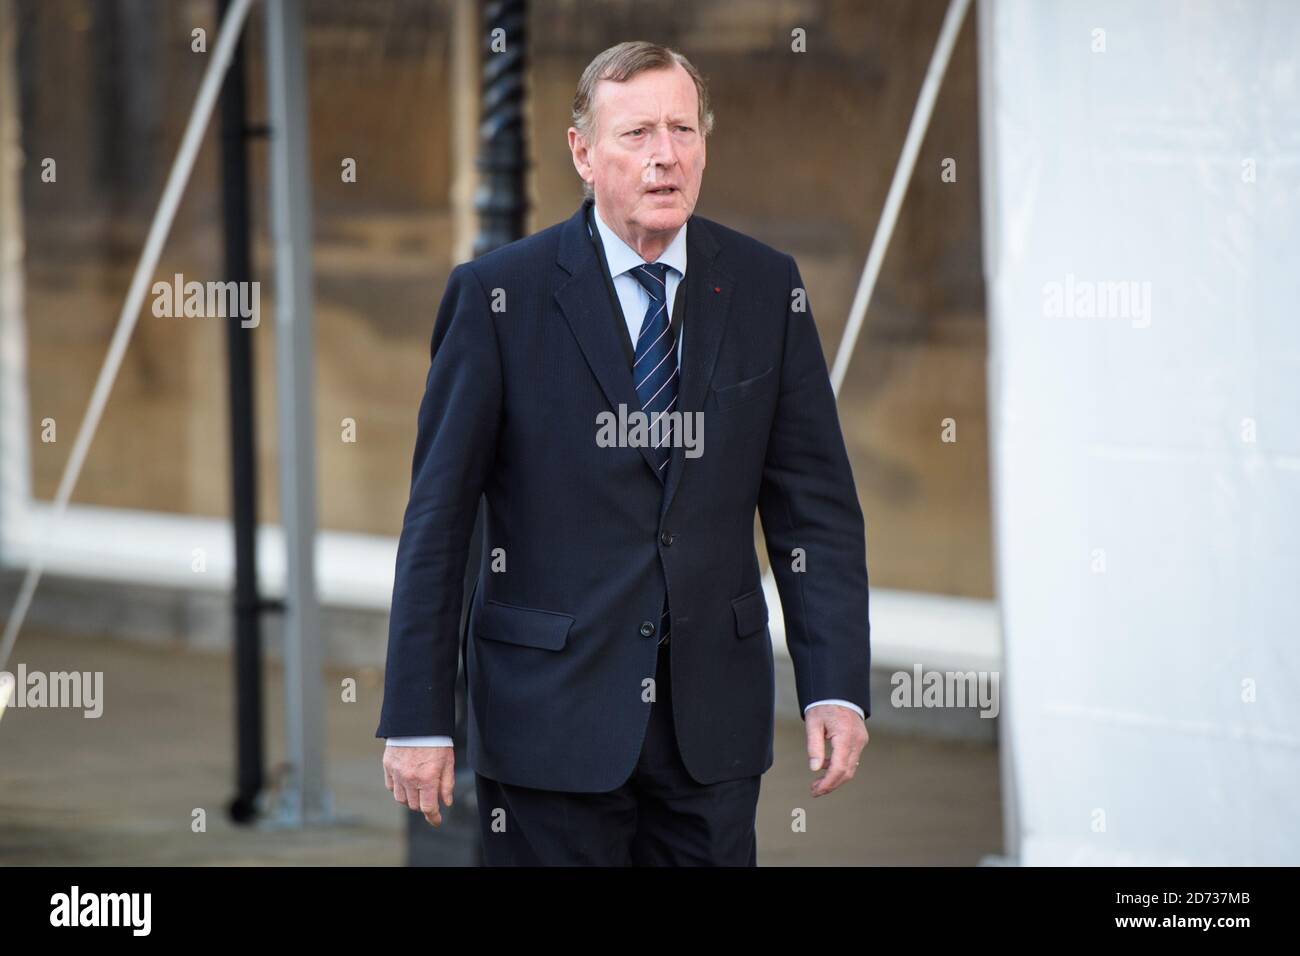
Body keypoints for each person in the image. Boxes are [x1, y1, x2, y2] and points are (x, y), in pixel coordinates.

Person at [378, 40, 871, 866]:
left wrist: (834, 683)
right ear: (582, 151)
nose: (665, 156)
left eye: (683, 130)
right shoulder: (500, 297)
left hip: (711, 728)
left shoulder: (763, 287)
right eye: (637, 133)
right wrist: (421, 715)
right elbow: (438, 520)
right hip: (550, 724)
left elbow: (813, 511)